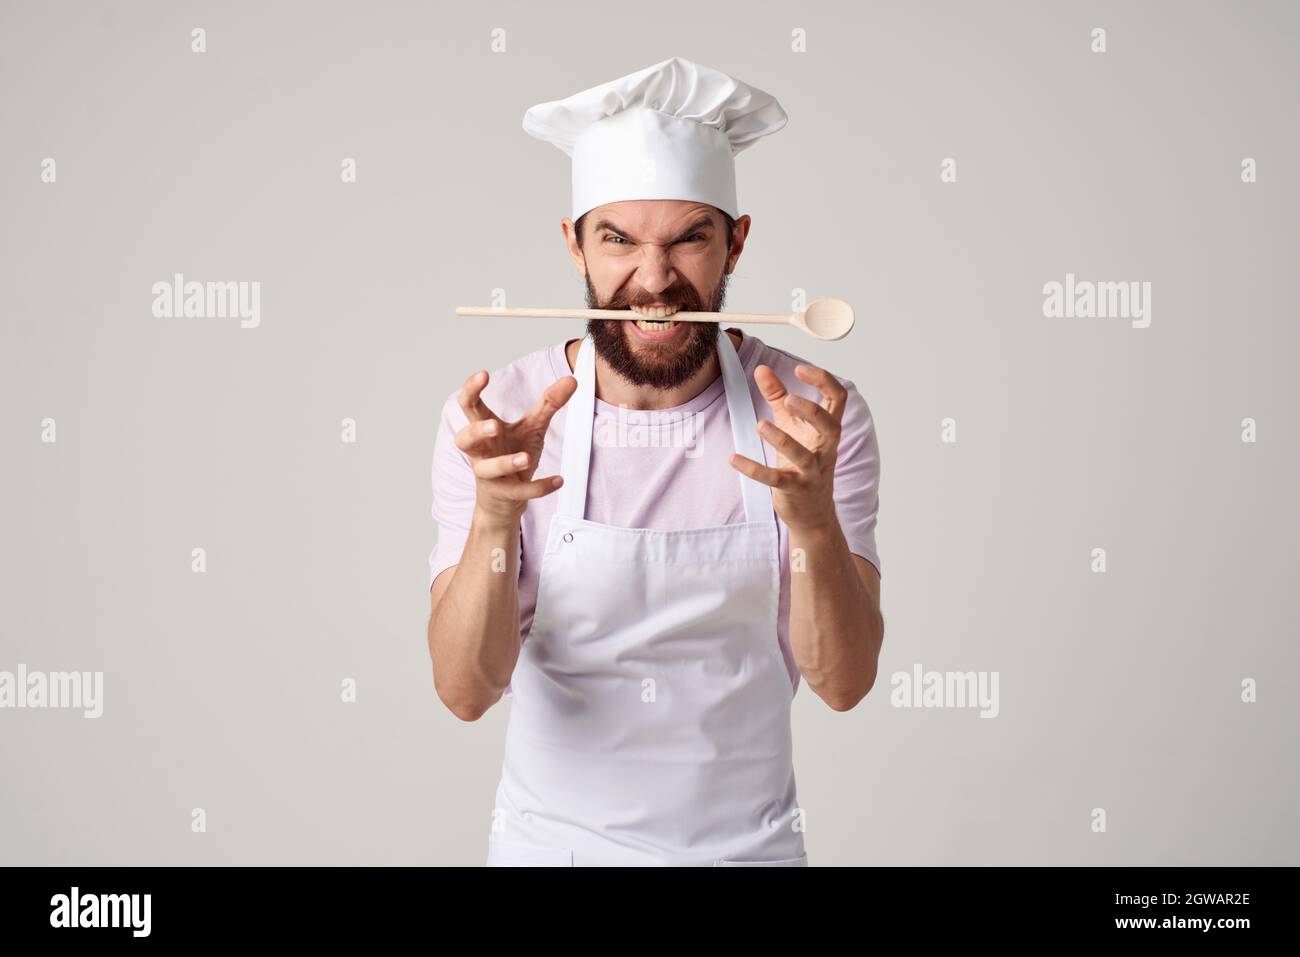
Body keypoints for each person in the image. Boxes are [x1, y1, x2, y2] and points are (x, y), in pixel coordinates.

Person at [426, 57, 884, 867]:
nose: (654, 281)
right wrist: (497, 516)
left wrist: (811, 521)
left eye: (690, 240)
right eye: (618, 240)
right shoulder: (498, 420)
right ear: (574, 245)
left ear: (735, 242)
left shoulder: (809, 419)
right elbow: (466, 691)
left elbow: (843, 683)